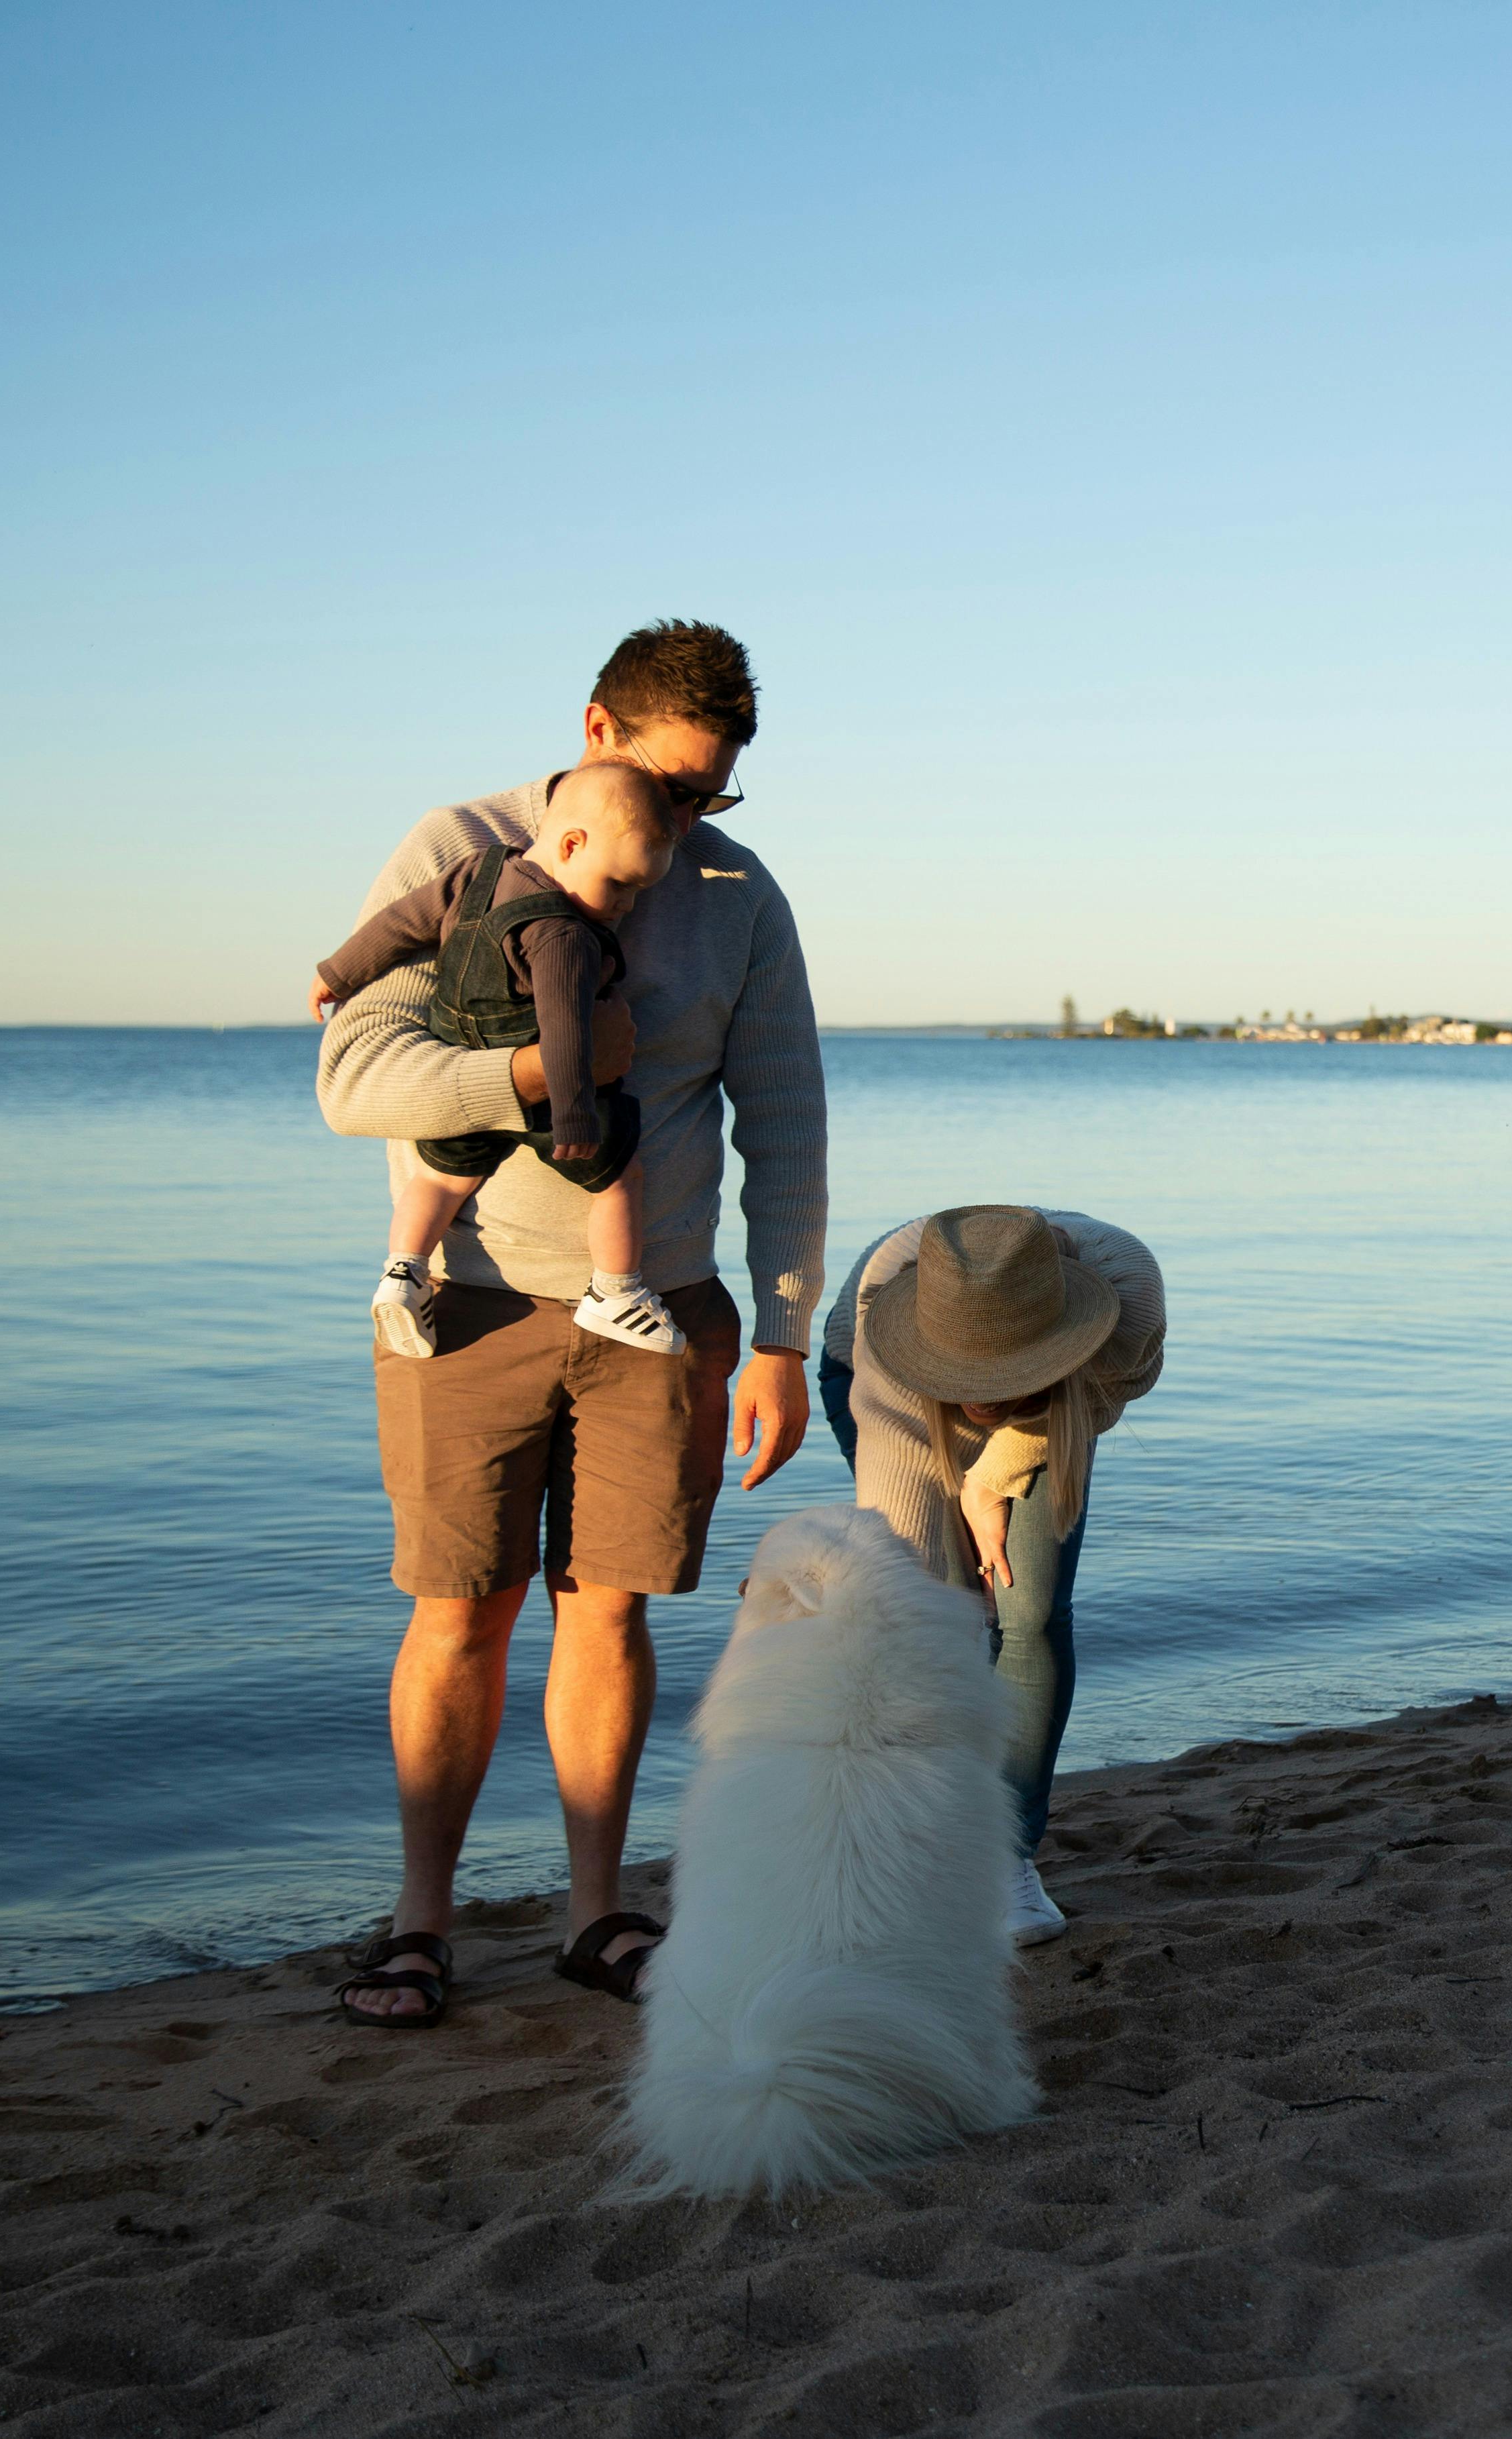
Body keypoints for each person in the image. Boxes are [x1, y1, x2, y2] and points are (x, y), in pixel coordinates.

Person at [314, 620, 828, 2030]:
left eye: (715, 791)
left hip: (656, 1309)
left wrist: (781, 1332)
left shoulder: (734, 888)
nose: (688, 814)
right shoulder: (460, 846)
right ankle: (421, 1920)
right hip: (470, 1303)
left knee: (607, 1611)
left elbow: (783, 1114)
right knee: (458, 1612)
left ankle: (593, 1908)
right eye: (671, 781)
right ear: (595, 730)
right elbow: (353, 1074)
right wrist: (541, 1069)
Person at [827, 1205, 1165, 1945]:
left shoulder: (1127, 1299)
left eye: (997, 1370)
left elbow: (1104, 1390)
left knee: (1028, 1611)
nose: (978, 1389)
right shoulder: (885, 1330)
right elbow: (904, 1555)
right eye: (970, 1374)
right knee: (933, 1609)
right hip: (896, 1387)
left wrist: (991, 1482)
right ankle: (916, 1841)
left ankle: (1005, 1854)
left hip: (1057, 1398)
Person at [309, 760, 684, 1361]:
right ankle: (616, 1292)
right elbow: (565, 1032)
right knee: (620, 1181)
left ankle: (403, 1273)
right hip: (542, 1089)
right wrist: (575, 1118)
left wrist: (337, 972)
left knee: (438, 1178)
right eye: (619, 885)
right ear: (570, 845)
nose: (626, 906)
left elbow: (401, 924)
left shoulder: (476, 873)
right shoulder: (563, 936)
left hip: (462, 1057)